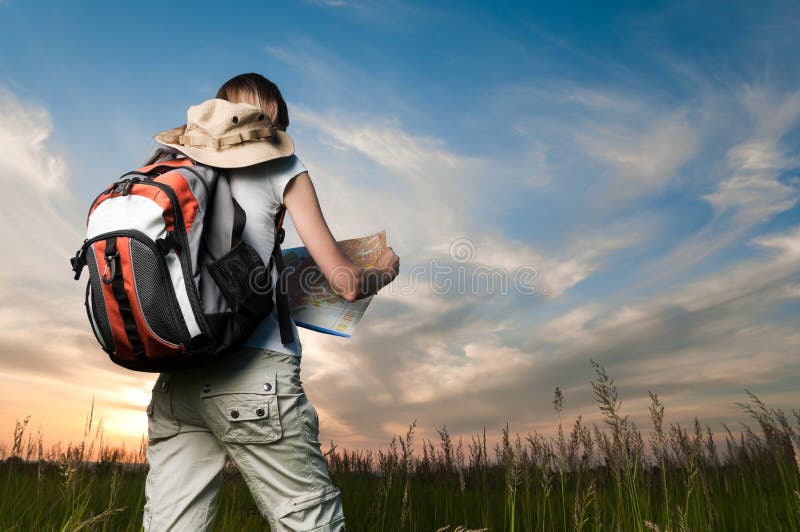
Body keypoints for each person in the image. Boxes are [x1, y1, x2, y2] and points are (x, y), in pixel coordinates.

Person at [142, 73, 400, 531]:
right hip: (254, 379)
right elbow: (345, 283)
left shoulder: (172, 166)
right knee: (311, 523)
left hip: (178, 378)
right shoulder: (283, 166)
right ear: (273, 122)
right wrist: (383, 268)